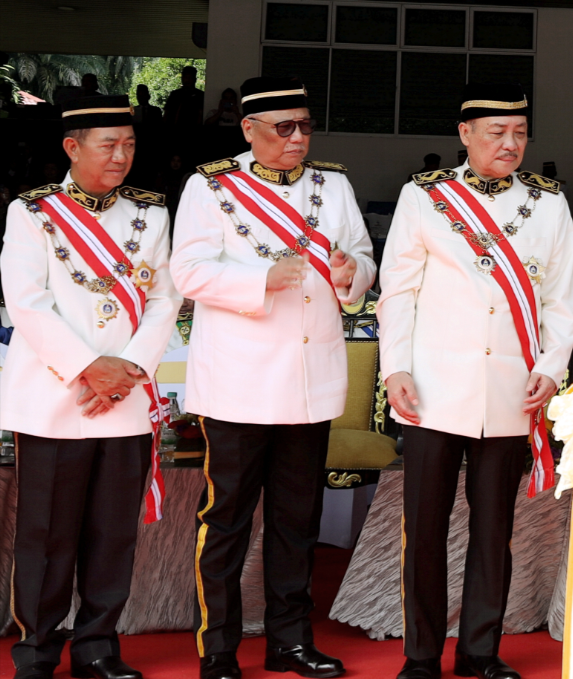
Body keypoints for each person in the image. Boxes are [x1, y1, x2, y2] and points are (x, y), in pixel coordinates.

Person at [169, 76, 376, 679]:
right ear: (249, 130)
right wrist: (259, 281)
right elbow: (187, 270)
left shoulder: (332, 184)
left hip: (309, 382)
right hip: (238, 382)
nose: (297, 139)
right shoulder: (211, 187)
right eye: (284, 128)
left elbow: (364, 258)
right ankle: (219, 649)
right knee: (227, 521)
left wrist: (348, 271)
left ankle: (291, 641)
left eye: (305, 127)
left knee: (296, 522)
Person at [378, 83, 573, 679]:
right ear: (465, 135)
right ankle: (420, 656)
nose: (510, 144)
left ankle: (480, 652)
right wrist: (395, 369)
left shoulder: (549, 203)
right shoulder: (425, 197)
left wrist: (550, 366)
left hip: (511, 388)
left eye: (519, 133)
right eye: (497, 133)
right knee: (426, 530)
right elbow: (399, 291)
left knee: (495, 530)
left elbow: (560, 301)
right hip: (433, 388)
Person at [0, 94, 180, 679]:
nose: (122, 156)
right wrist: (89, 368)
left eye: (129, 144)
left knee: (111, 535)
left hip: (124, 400)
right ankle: (35, 652)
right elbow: (27, 303)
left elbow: (163, 301)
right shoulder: (32, 213)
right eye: (109, 145)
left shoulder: (150, 215)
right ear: (71, 148)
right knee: (46, 537)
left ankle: (98, 647)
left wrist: (127, 370)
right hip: (57, 399)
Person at [164, 65, 205, 131]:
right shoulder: (175, 94)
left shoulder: (200, 95)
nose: (187, 80)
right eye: (185, 77)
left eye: (190, 78)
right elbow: (167, 113)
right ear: (182, 78)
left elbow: (200, 115)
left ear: (194, 79)